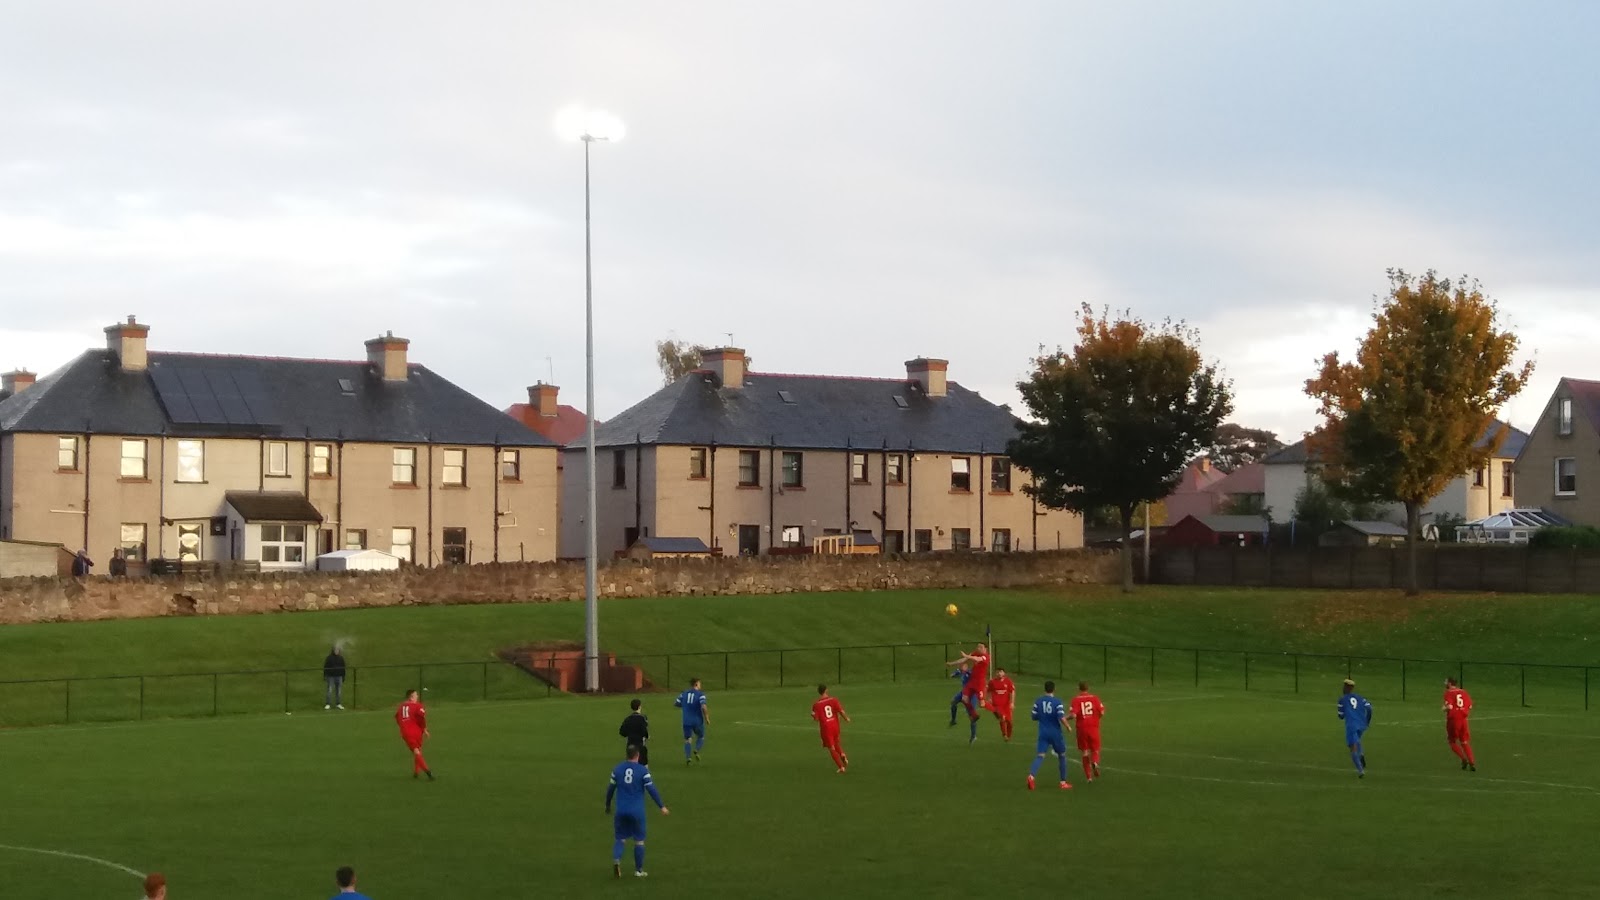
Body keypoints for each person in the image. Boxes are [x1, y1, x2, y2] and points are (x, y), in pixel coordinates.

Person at [605, 745, 668, 879]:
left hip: (621, 810)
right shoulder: (642, 771)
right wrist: (661, 806)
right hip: (637, 811)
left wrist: (608, 805)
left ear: (626, 755)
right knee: (639, 841)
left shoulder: (617, 770)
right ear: (637, 756)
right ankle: (638, 871)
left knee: (620, 838)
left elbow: (610, 789)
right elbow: (651, 790)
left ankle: (616, 860)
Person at [1027, 680, 1073, 791]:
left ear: (1044, 689)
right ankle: (1063, 782)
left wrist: (1043, 717)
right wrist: (1068, 726)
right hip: (1055, 733)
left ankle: (1031, 776)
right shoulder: (1057, 702)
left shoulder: (1038, 701)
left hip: (1043, 732)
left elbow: (1033, 716)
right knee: (1062, 755)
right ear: (1054, 689)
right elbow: (1061, 717)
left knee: (1040, 756)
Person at [945, 643, 991, 743]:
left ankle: (973, 735)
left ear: (985, 649)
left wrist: (966, 656)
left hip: (975, 690)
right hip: (967, 689)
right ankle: (953, 720)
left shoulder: (985, 657)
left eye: (981, 647)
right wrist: (952, 663)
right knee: (954, 702)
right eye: (977, 647)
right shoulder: (965, 668)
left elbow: (976, 659)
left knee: (971, 716)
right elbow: (964, 659)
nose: (978, 648)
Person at [1338, 678, 1374, 778]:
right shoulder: (1360, 698)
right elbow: (1370, 708)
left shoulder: (1342, 700)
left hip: (1351, 725)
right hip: (1362, 724)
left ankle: (1360, 770)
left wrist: (1344, 712)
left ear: (1345, 688)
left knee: (1352, 747)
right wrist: (1367, 720)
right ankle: (1361, 753)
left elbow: (1340, 716)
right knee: (1357, 740)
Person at [1071, 681, 1107, 781]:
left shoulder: (1076, 700)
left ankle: (1089, 777)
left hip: (1082, 728)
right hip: (1093, 727)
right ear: (1088, 688)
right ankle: (1095, 762)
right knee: (1095, 750)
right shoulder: (1094, 698)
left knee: (1085, 752)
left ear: (1079, 688)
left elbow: (1073, 715)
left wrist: (1065, 718)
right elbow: (1102, 712)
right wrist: (1096, 718)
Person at [811, 684, 851, 773]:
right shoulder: (833, 700)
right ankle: (842, 754)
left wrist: (813, 715)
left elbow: (816, 719)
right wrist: (846, 718)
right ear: (826, 690)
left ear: (819, 692)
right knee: (836, 742)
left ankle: (841, 767)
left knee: (831, 747)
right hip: (835, 726)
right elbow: (841, 711)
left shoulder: (816, 704)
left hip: (826, 728)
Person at [395, 689, 434, 780]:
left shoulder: (401, 707)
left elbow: (397, 718)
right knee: (417, 751)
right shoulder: (417, 706)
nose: (417, 696)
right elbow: (421, 718)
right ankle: (428, 772)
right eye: (416, 695)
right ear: (411, 697)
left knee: (416, 751)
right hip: (416, 731)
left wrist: (403, 726)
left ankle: (416, 772)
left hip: (406, 732)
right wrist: (424, 729)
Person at [673, 678, 709, 765]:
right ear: (696, 684)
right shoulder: (700, 695)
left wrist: (685, 705)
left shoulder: (683, 694)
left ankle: (688, 757)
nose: (700, 685)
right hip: (697, 721)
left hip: (686, 721)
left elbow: (676, 703)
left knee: (687, 740)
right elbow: (703, 706)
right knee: (701, 736)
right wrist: (707, 717)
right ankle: (696, 750)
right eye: (700, 684)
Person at [1443, 676, 1476, 771]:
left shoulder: (1448, 693)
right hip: (1464, 720)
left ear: (1449, 683)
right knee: (1464, 742)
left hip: (1453, 720)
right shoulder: (1463, 692)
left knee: (1452, 741)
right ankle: (1472, 762)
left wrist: (1443, 709)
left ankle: (1463, 759)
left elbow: (1449, 706)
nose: (1444, 683)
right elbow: (1470, 706)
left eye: (1445, 682)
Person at [988, 667, 1017, 741]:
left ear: (1004, 673)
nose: (999, 673)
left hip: (1006, 705)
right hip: (997, 705)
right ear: (995, 674)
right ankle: (1004, 734)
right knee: (1002, 718)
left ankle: (1008, 736)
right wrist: (990, 698)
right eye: (997, 672)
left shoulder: (1008, 681)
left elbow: (1012, 691)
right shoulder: (992, 682)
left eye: (1000, 672)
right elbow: (989, 690)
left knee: (1010, 722)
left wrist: (1012, 703)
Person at [619, 699, 650, 767]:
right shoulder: (642, 718)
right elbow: (644, 731)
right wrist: (647, 736)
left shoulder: (628, 719)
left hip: (630, 745)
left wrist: (629, 734)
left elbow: (622, 732)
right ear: (639, 707)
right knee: (643, 765)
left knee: (631, 765)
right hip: (640, 745)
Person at [947, 661, 972, 728]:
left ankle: (973, 730)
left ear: (966, 666)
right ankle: (953, 720)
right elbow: (953, 675)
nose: (961, 667)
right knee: (953, 702)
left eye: (962, 666)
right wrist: (954, 674)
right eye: (960, 666)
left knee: (970, 712)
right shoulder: (961, 672)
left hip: (969, 694)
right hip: (963, 693)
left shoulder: (970, 672)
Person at [324, 645, 346, 710]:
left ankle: (338, 704)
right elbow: (326, 667)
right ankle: (328, 704)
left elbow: (343, 668)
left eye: (338, 650)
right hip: (331, 677)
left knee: (338, 691)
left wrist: (343, 676)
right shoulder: (329, 658)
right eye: (335, 650)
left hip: (339, 677)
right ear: (333, 651)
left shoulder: (341, 658)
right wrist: (325, 675)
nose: (336, 651)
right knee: (330, 690)